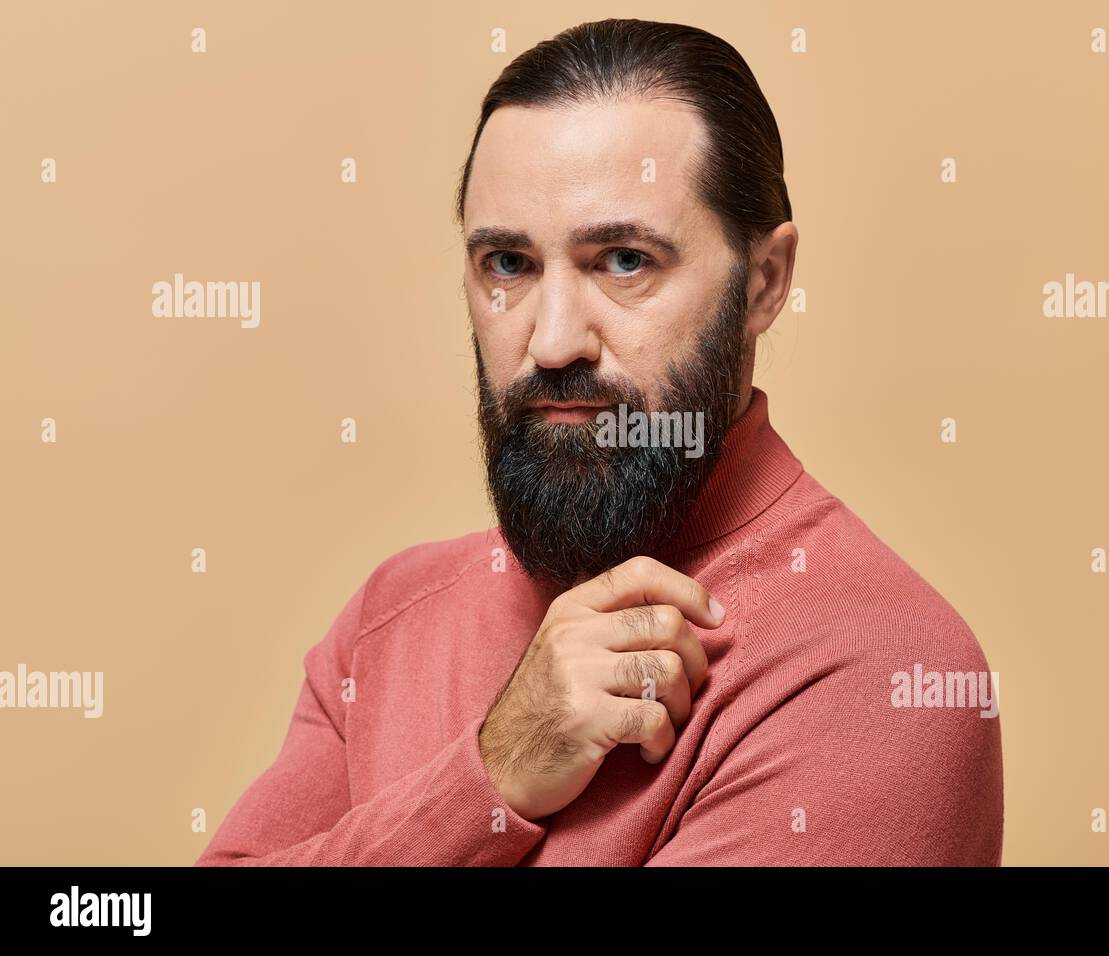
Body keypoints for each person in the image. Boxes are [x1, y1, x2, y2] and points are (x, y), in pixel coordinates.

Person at [195, 17, 1002, 867]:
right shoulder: (387, 619)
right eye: (508, 263)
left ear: (764, 284)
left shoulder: (881, 670)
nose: (551, 343)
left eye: (623, 260)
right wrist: (492, 774)